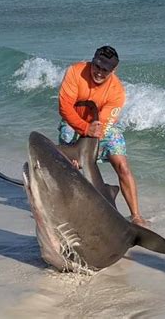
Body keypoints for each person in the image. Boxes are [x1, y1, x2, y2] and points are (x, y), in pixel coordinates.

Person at [58, 46, 148, 227]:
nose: (98, 72)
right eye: (97, 66)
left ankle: (136, 215)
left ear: (113, 70)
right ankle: (70, 212)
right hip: (73, 122)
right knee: (70, 167)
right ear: (93, 60)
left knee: (122, 165)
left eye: (104, 70)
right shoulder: (75, 72)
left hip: (101, 127)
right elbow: (65, 107)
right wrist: (82, 133)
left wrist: (85, 151)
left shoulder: (117, 92)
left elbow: (102, 125)